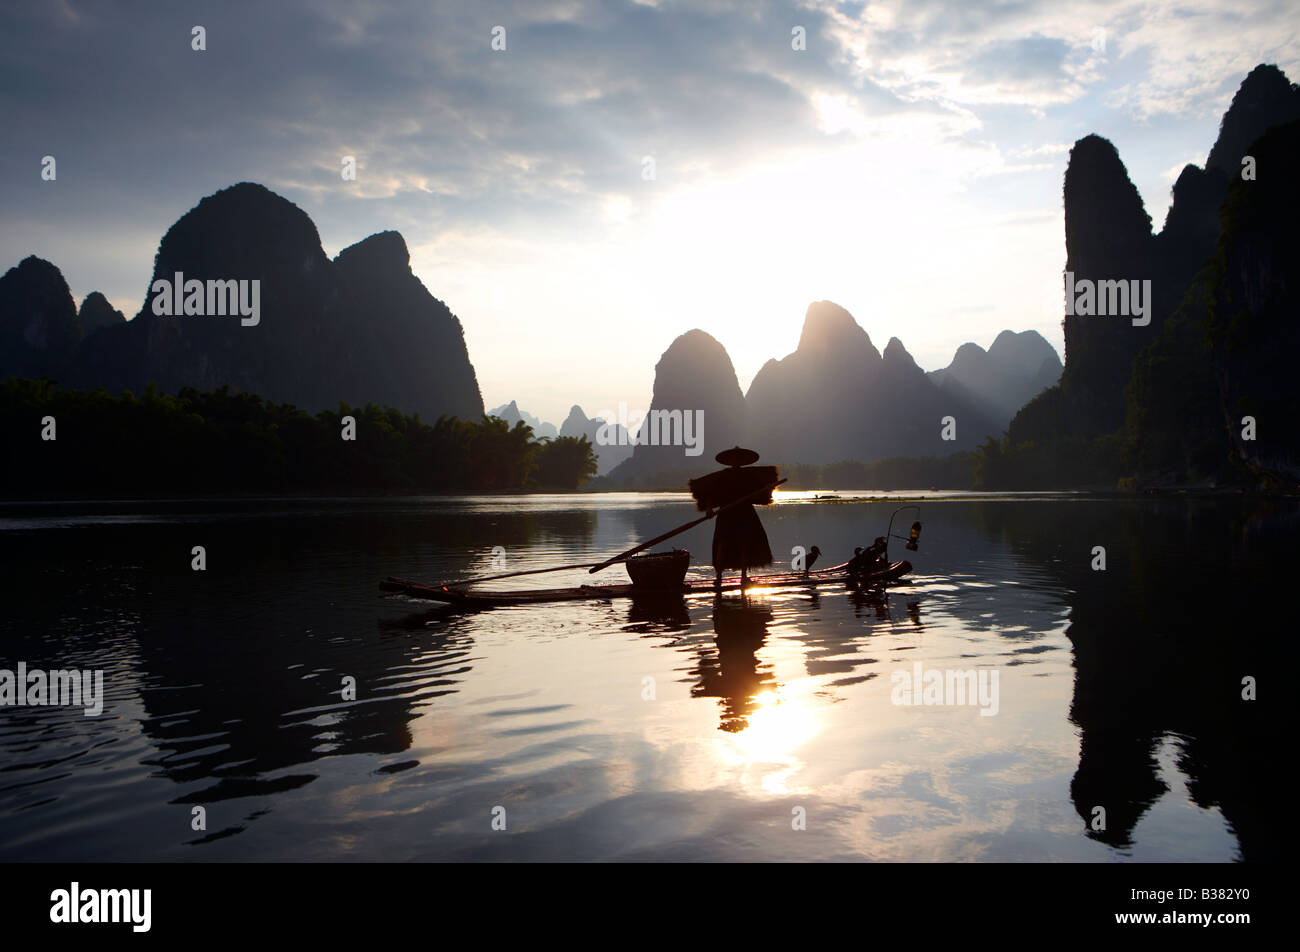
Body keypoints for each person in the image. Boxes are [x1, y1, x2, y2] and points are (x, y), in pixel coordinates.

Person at [688, 447, 778, 591]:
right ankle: (718, 578)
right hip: (727, 513)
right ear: (728, 461)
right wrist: (710, 509)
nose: (736, 461)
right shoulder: (722, 476)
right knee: (722, 544)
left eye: (739, 459)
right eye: (733, 459)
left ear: (743, 461)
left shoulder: (749, 476)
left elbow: (760, 491)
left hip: (745, 513)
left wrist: (768, 488)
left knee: (744, 544)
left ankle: (743, 577)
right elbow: (710, 493)